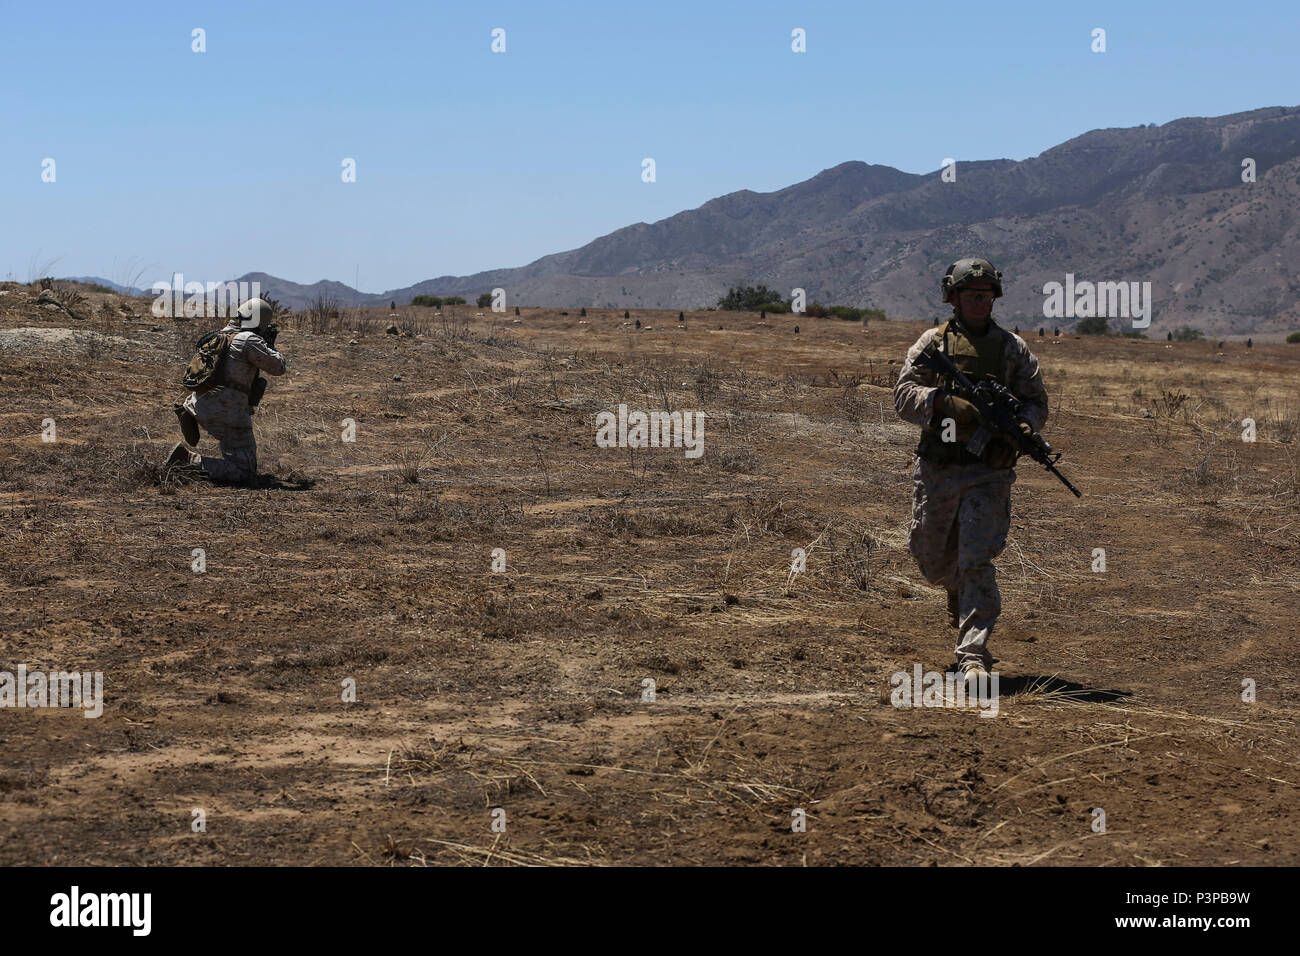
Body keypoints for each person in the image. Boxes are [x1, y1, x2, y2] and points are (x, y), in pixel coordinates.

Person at [893, 258, 1049, 682]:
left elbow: (1038, 403)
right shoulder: (933, 344)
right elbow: (902, 395)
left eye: (985, 295)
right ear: (954, 298)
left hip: (988, 471)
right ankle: (954, 587)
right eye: (970, 294)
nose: (979, 301)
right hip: (939, 468)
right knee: (932, 559)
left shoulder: (1013, 349)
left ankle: (973, 654)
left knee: (976, 557)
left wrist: (1021, 426)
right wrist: (942, 403)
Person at [165, 298, 286, 484]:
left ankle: (189, 411)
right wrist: (270, 345)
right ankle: (185, 460)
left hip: (200, 402)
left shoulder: (219, 335)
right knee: (245, 473)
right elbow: (278, 367)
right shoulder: (249, 339)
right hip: (227, 411)